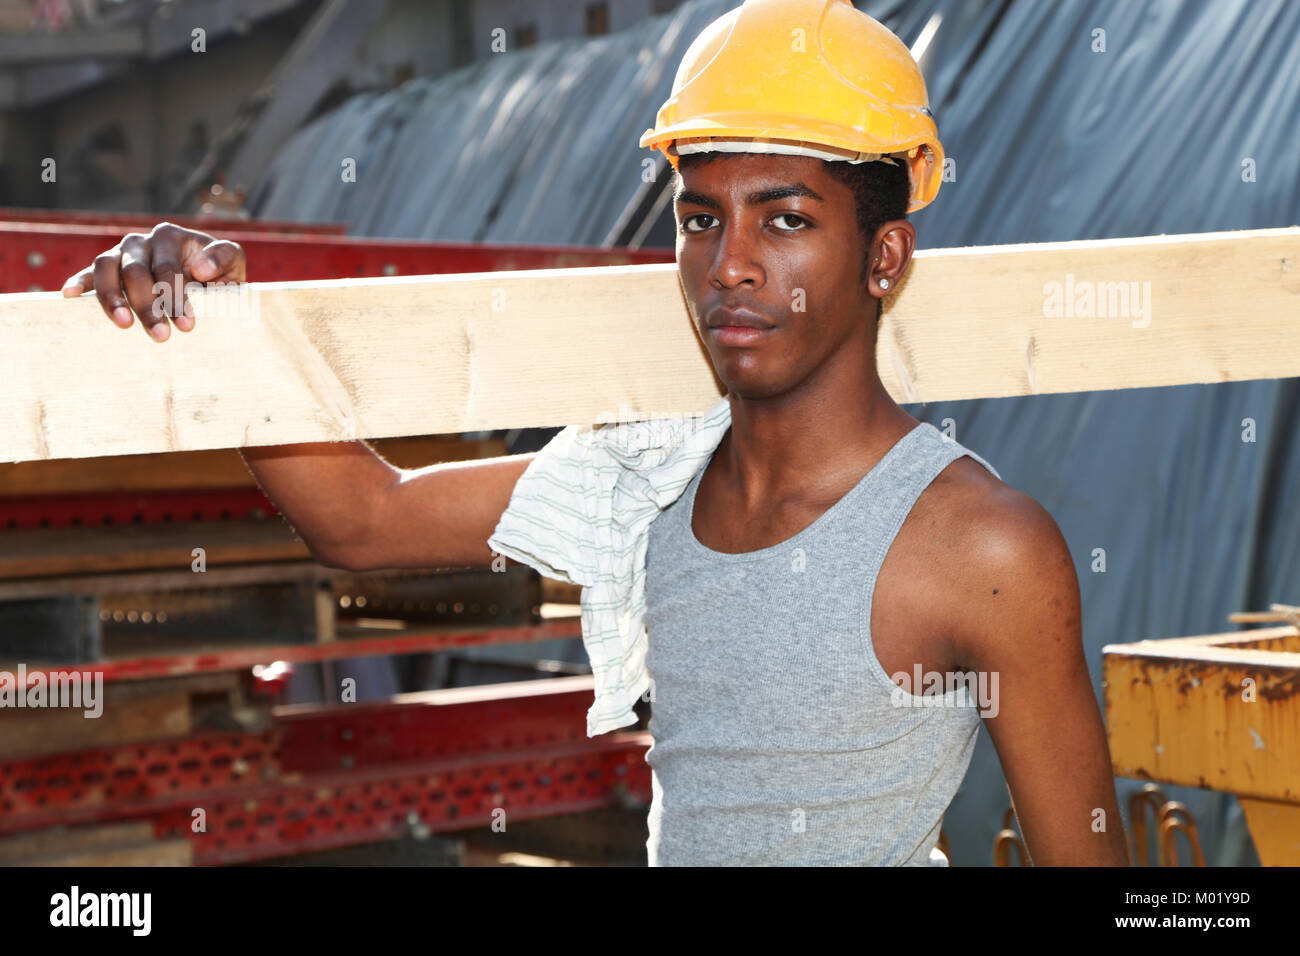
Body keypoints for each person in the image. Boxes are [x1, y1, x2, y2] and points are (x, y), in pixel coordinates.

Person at [62, 0, 1129, 866]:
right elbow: (365, 517)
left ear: (884, 257)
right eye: (701, 216)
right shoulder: (644, 477)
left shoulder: (980, 548)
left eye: (786, 218)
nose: (731, 263)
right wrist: (213, 313)